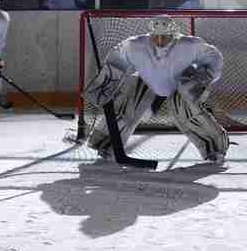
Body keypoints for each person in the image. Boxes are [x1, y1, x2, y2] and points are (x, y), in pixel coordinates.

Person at [84, 15, 229, 164]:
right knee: (123, 107)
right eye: (156, 36)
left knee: (189, 114)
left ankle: (215, 150)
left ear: (174, 35)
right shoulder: (135, 45)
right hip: (147, 81)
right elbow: (117, 57)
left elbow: (214, 56)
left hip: (179, 85)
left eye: (165, 37)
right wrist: (107, 81)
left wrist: (204, 76)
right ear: (150, 34)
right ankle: (106, 145)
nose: (160, 41)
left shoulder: (190, 45)